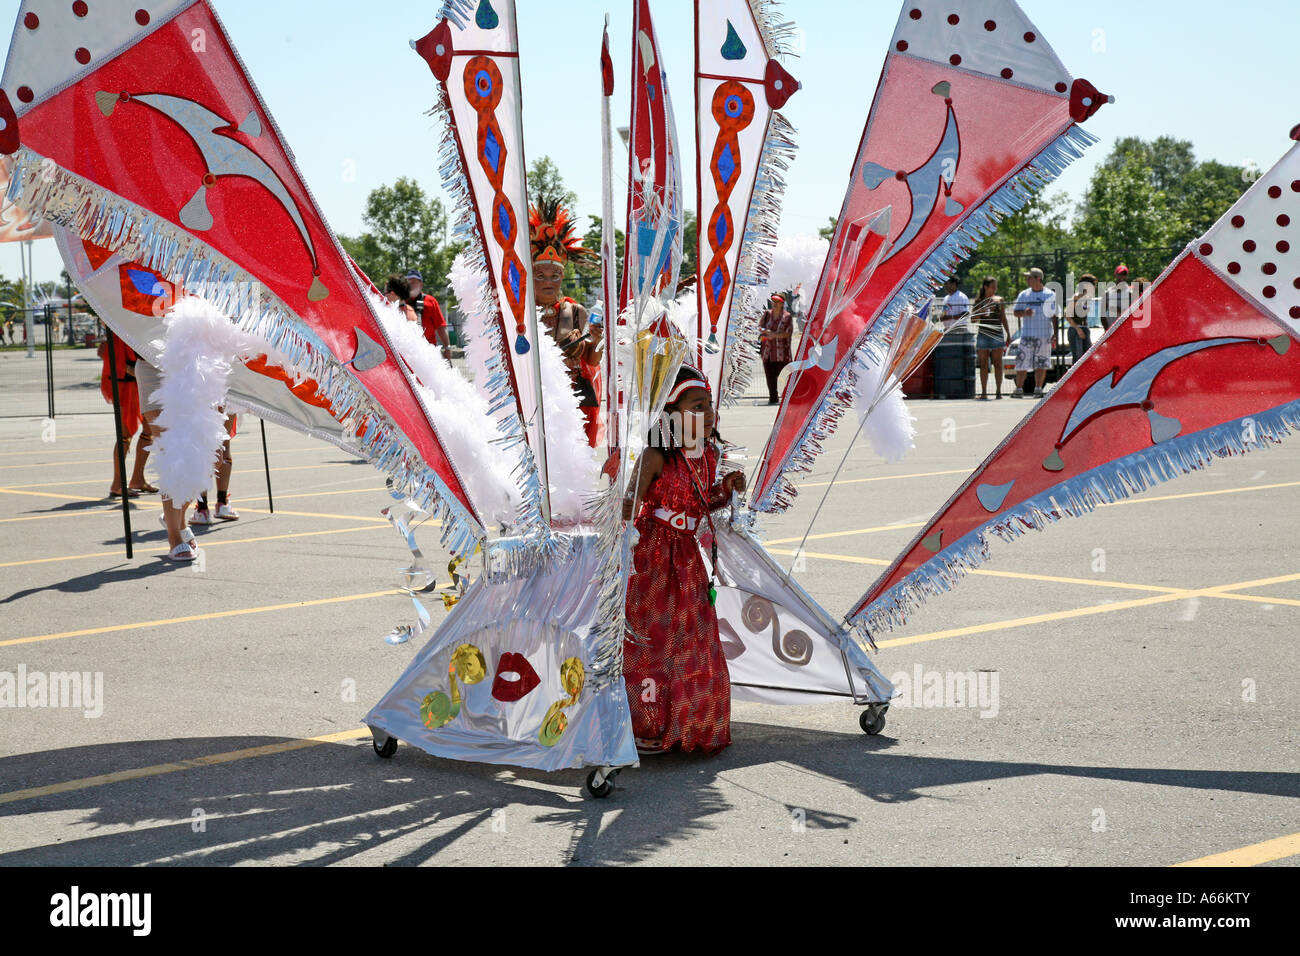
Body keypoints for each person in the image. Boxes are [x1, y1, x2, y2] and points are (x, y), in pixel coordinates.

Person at [623, 366, 746, 754]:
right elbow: (627, 504)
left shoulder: (708, 453)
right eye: (698, 405)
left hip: (687, 559)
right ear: (671, 414)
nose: (709, 413)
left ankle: (690, 722)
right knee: (653, 640)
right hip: (652, 557)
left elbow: (699, 504)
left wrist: (724, 491)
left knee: (691, 641)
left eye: (710, 404)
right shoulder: (656, 456)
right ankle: (646, 724)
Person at [529, 199, 602, 447]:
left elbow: (591, 361)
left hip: (573, 403)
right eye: (540, 276)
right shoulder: (521, 315)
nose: (549, 282)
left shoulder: (576, 311)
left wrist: (597, 338)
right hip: (535, 402)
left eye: (555, 275)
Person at [134, 357, 199, 561]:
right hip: (151, 365)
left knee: (202, 457)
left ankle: (177, 520)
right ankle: (174, 537)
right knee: (171, 454)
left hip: (188, 367)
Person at [98, 335, 158, 496]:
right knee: (125, 435)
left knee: (149, 430)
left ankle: (138, 478)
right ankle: (117, 484)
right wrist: (140, 372)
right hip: (125, 385)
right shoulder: (118, 329)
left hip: (140, 382)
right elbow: (115, 361)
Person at [1012, 267, 1058, 399]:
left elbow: (1054, 316)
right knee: (1021, 363)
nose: (1027, 280)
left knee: (1041, 364)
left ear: (1038, 279)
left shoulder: (1050, 295)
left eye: (1029, 278)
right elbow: (1016, 312)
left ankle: (1038, 389)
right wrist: (1024, 313)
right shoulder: (1024, 295)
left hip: (1044, 335)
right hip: (1027, 335)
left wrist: (1055, 334)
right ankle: (1019, 389)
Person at [189, 413, 240, 526]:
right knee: (223, 444)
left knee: (204, 446)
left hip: (204, 400)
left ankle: (203, 510)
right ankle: (221, 503)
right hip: (227, 398)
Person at [972, 276, 1010, 400]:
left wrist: (1008, 333)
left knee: (998, 364)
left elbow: (1003, 317)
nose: (995, 289)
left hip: (997, 334)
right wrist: (981, 311)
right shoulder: (978, 301)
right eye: (992, 286)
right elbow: (972, 320)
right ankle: (984, 392)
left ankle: (999, 392)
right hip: (983, 335)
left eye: (996, 287)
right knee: (983, 364)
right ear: (986, 287)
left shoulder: (999, 300)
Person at [405, 269, 451, 360]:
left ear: (421, 284)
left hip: (429, 350)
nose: (410, 285)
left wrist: (447, 348)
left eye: (413, 282)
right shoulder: (400, 302)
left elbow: (441, 327)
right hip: (408, 350)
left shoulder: (430, 301)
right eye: (408, 283)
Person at [758, 293, 793, 404]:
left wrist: (774, 335)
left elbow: (788, 333)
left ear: (782, 304)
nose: (774, 304)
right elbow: (760, 326)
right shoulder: (767, 314)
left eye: (777, 302)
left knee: (784, 377)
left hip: (782, 353)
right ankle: (773, 398)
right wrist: (765, 331)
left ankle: (788, 399)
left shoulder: (787, 316)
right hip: (767, 352)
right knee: (770, 378)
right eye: (773, 301)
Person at [1066, 272, 1097, 364]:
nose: (1095, 287)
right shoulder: (1077, 297)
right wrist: (1078, 329)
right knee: (1078, 360)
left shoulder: (1087, 298)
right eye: (1093, 285)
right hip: (1076, 331)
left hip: (1084, 329)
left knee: (1088, 359)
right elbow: (1067, 315)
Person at [1103, 264, 1131, 331]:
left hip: (1126, 328)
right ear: (1115, 275)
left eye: (1124, 274)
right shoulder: (1108, 292)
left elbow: (1134, 311)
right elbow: (1102, 314)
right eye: (1120, 274)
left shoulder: (1131, 292)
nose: (1122, 277)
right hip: (1111, 328)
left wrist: (1119, 310)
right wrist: (1106, 329)